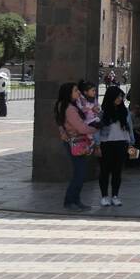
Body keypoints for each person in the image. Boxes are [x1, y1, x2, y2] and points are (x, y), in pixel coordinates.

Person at [54, 82, 95, 210]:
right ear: (69, 93)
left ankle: (76, 201)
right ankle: (70, 201)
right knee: (79, 174)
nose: (79, 93)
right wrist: (96, 129)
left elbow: (59, 122)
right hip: (76, 142)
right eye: (76, 90)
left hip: (72, 141)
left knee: (80, 173)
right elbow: (81, 128)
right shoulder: (70, 108)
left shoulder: (65, 105)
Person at [96, 86, 135, 207]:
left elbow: (130, 128)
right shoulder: (102, 112)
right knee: (104, 171)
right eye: (117, 96)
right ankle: (104, 196)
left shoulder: (125, 111)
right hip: (106, 143)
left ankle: (115, 196)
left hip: (121, 143)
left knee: (117, 171)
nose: (120, 99)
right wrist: (97, 145)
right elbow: (96, 130)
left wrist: (131, 143)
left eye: (121, 96)